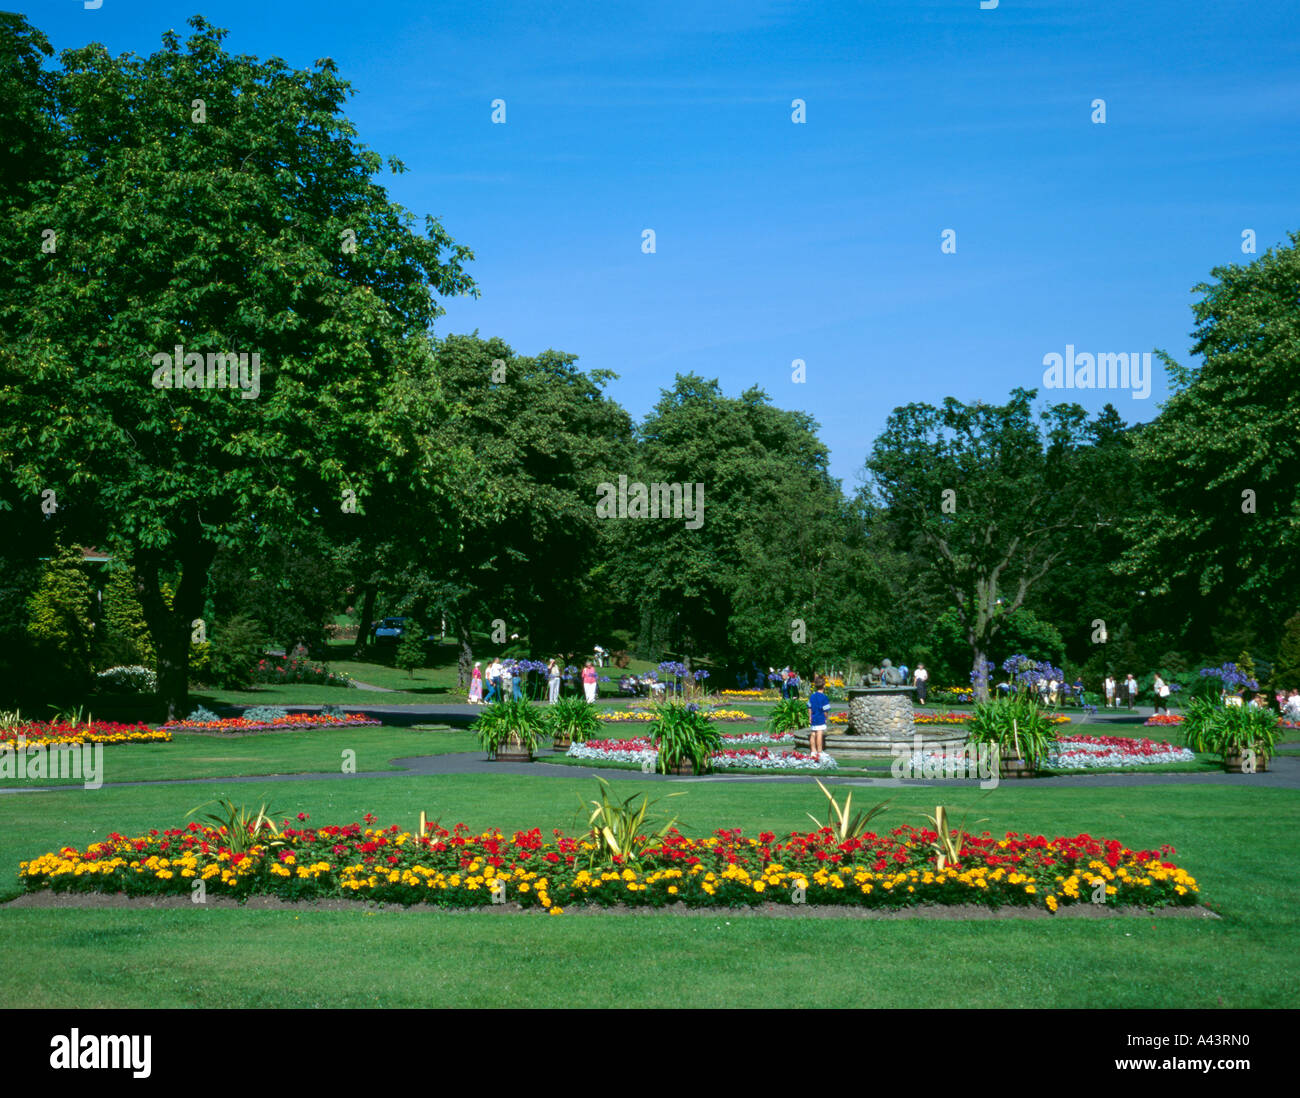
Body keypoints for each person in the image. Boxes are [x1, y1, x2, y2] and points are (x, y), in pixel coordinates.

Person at [807, 679, 832, 760]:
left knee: (813, 734)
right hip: (820, 717)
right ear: (824, 686)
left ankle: (813, 751)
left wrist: (810, 717)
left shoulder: (812, 696)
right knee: (819, 734)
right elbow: (826, 710)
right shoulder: (824, 697)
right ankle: (820, 752)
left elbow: (809, 707)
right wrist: (826, 717)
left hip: (814, 717)